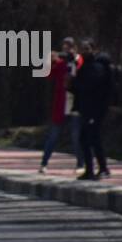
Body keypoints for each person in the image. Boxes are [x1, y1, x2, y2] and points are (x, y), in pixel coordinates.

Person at [71, 39, 112, 180]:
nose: (84, 51)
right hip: (86, 109)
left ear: (94, 50)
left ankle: (101, 168)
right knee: (87, 139)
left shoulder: (97, 67)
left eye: (87, 48)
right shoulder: (84, 66)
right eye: (82, 49)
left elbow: (90, 87)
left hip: (95, 110)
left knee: (91, 138)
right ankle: (93, 169)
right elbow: (78, 88)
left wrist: (77, 81)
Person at [38, 37, 81, 173]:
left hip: (75, 103)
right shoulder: (60, 64)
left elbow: (81, 67)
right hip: (61, 104)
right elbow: (47, 74)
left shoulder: (79, 61)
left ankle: (81, 164)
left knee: (76, 136)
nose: (67, 50)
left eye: (69, 47)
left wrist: (73, 59)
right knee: (53, 135)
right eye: (64, 48)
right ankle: (44, 163)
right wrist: (49, 61)